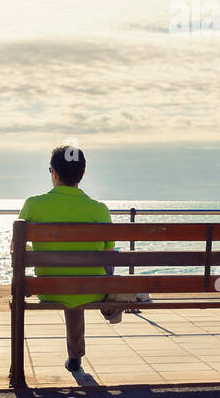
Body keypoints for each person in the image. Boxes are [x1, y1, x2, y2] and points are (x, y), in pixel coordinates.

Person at [17, 145, 134, 373]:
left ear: (54, 173)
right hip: (92, 289)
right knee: (86, 280)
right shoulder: (99, 210)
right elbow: (107, 255)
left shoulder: (33, 204)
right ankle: (109, 310)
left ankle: (74, 356)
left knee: (70, 284)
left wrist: (42, 250)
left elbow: (16, 249)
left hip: (49, 289)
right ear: (83, 172)